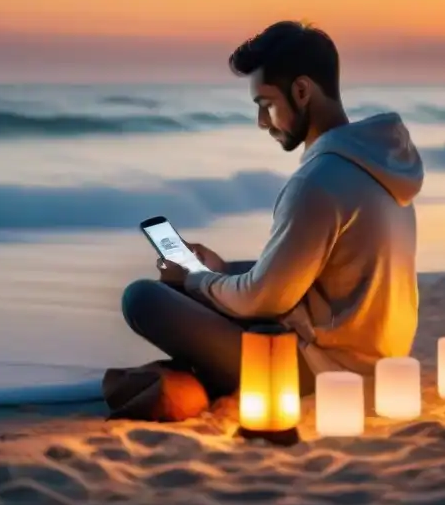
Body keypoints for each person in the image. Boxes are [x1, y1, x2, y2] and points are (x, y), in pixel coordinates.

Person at [121, 20, 424, 401]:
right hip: (381, 363)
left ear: (301, 91)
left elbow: (263, 300)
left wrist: (195, 281)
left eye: (266, 105)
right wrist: (219, 269)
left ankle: (199, 378)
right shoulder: (381, 164)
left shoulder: (318, 181)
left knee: (142, 299)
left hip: (319, 372)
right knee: (219, 285)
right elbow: (305, 275)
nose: (262, 122)